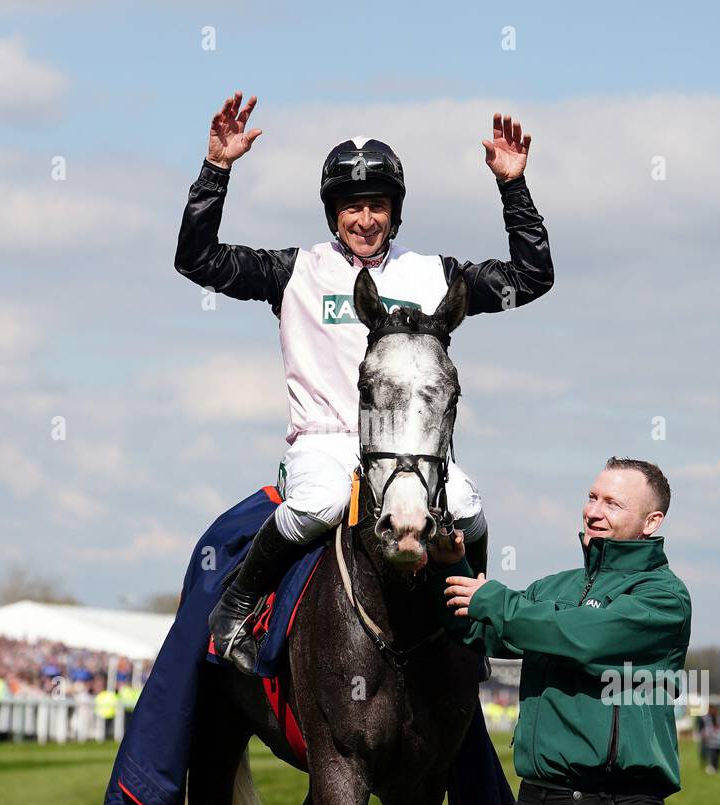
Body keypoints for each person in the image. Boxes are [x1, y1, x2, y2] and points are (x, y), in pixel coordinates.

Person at [175, 90, 555, 675]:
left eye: (377, 204)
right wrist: (215, 170)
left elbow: (531, 277)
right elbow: (197, 260)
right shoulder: (293, 271)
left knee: (470, 507)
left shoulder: (433, 274)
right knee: (325, 502)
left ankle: (469, 621)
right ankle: (236, 608)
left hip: (410, 447)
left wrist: (513, 187)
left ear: (394, 211)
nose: (365, 219)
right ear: (334, 214)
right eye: (352, 207)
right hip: (326, 442)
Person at [440, 458, 691, 805]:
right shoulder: (553, 588)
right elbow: (479, 632)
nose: (593, 512)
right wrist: (450, 566)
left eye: (612, 503)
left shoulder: (664, 597)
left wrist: (497, 601)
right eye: (592, 497)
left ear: (652, 521)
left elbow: (584, 636)